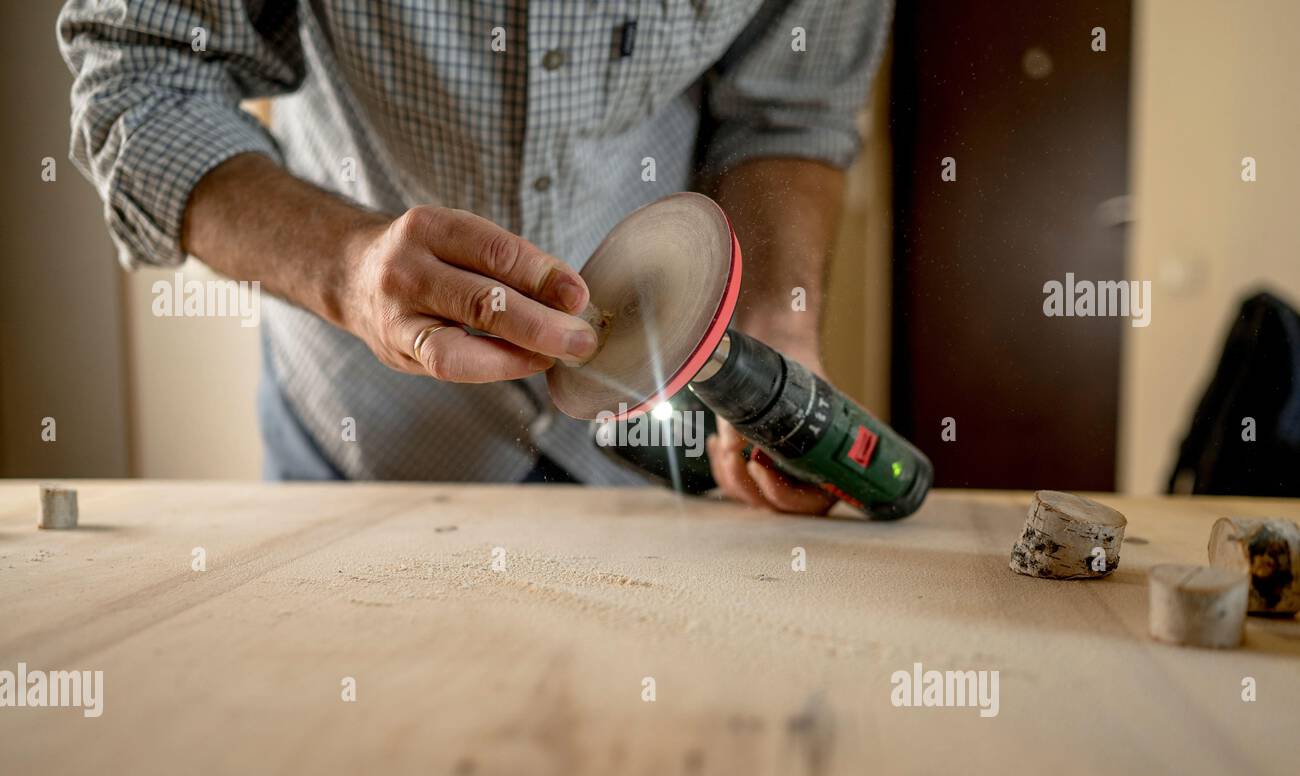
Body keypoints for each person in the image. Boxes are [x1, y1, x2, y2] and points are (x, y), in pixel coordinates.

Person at [59, 0, 890, 514]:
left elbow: (789, 111)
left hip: (649, 461)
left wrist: (776, 320)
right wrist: (350, 268)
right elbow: (140, 80)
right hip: (360, 437)